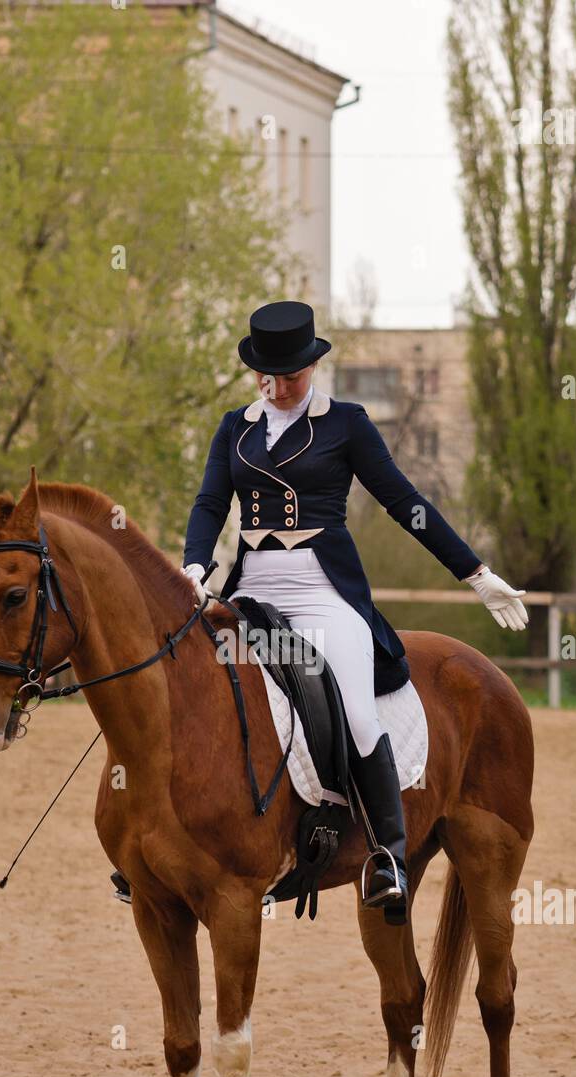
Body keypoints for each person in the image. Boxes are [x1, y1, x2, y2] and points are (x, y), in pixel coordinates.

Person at [176, 301, 528, 925]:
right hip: (251, 590)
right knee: (184, 684)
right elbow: (209, 503)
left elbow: (404, 502)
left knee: (356, 706)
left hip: (323, 593)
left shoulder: (345, 423)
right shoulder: (236, 427)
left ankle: (386, 854)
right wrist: (196, 565)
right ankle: (162, 841)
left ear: (312, 365)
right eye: (272, 376)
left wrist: (475, 572)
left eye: (293, 375)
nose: (282, 387)